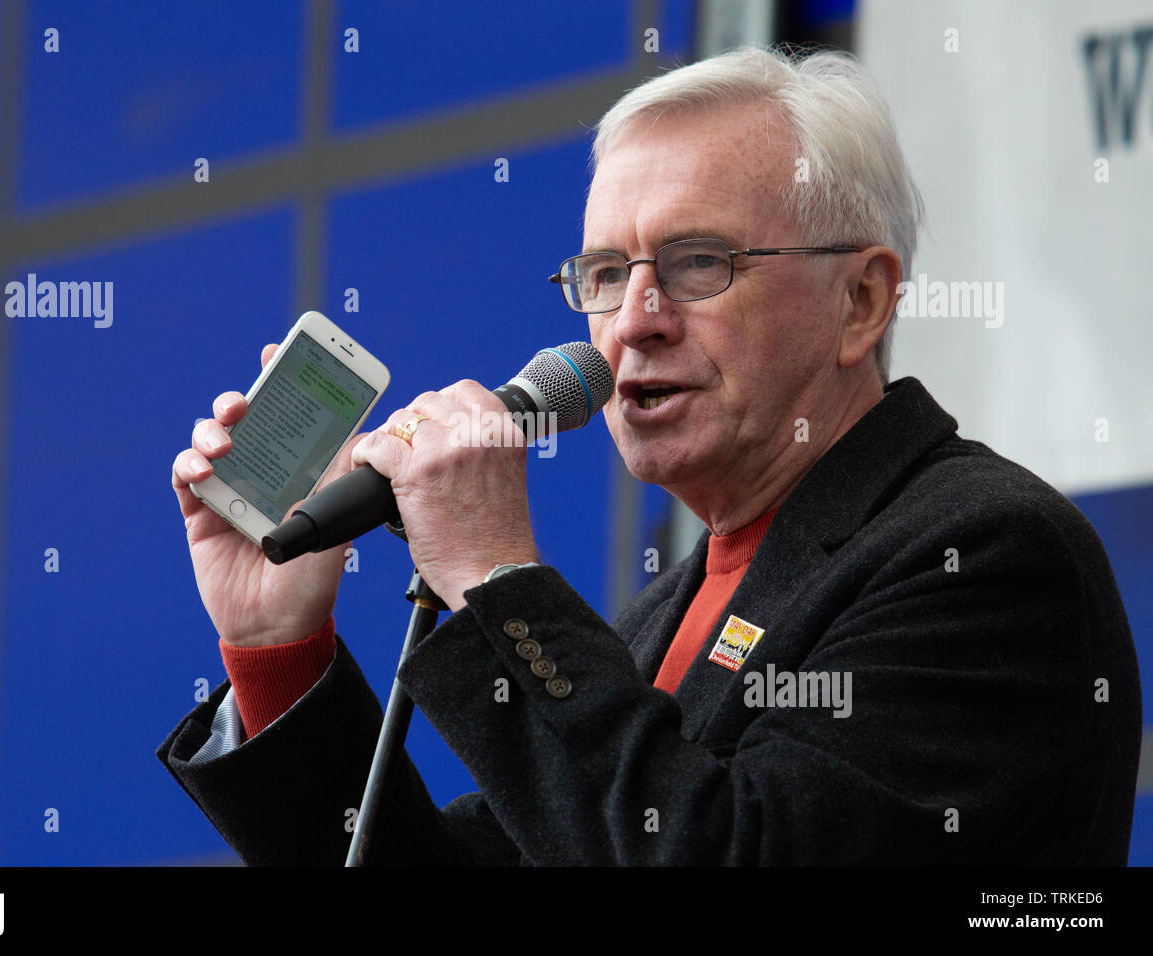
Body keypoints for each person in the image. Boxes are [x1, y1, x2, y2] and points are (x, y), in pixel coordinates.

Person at [159, 47, 1141, 865]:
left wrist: (500, 579)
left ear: (861, 302)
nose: (631, 322)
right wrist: (276, 647)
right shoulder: (659, 616)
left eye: (697, 263)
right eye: (603, 273)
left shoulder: (984, 556)